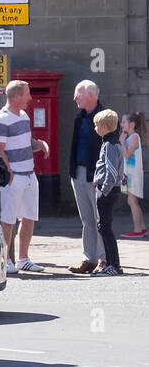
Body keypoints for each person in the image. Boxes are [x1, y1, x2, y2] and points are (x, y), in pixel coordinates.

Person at [0, 79, 50, 274]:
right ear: (16, 97)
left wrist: (39, 144)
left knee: (29, 217)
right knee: (8, 220)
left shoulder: (24, 116)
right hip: (14, 177)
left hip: (29, 174)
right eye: (27, 94)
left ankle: (23, 259)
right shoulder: (1, 119)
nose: (30, 98)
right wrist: (10, 173)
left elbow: (27, 141)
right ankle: (5, 260)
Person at [68, 79, 107, 273]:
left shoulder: (105, 118)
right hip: (78, 172)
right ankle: (88, 259)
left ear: (91, 95)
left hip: (96, 175)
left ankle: (103, 259)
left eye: (78, 94)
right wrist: (72, 170)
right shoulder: (79, 117)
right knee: (87, 219)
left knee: (100, 218)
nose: (75, 98)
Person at [91, 109, 125, 276]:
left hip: (107, 192)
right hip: (109, 189)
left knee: (105, 228)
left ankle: (114, 265)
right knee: (103, 227)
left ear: (104, 126)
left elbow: (111, 171)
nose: (95, 128)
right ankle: (111, 264)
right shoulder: (112, 142)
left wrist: (103, 190)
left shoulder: (110, 145)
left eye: (97, 125)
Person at [120, 112, 145, 238]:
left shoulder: (134, 137)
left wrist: (122, 142)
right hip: (130, 174)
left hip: (133, 175)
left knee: (132, 201)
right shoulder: (131, 137)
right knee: (133, 201)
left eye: (124, 122)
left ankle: (137, 230)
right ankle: (142, 228)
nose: (121, 124)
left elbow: (127, 155)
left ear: (132, 125)